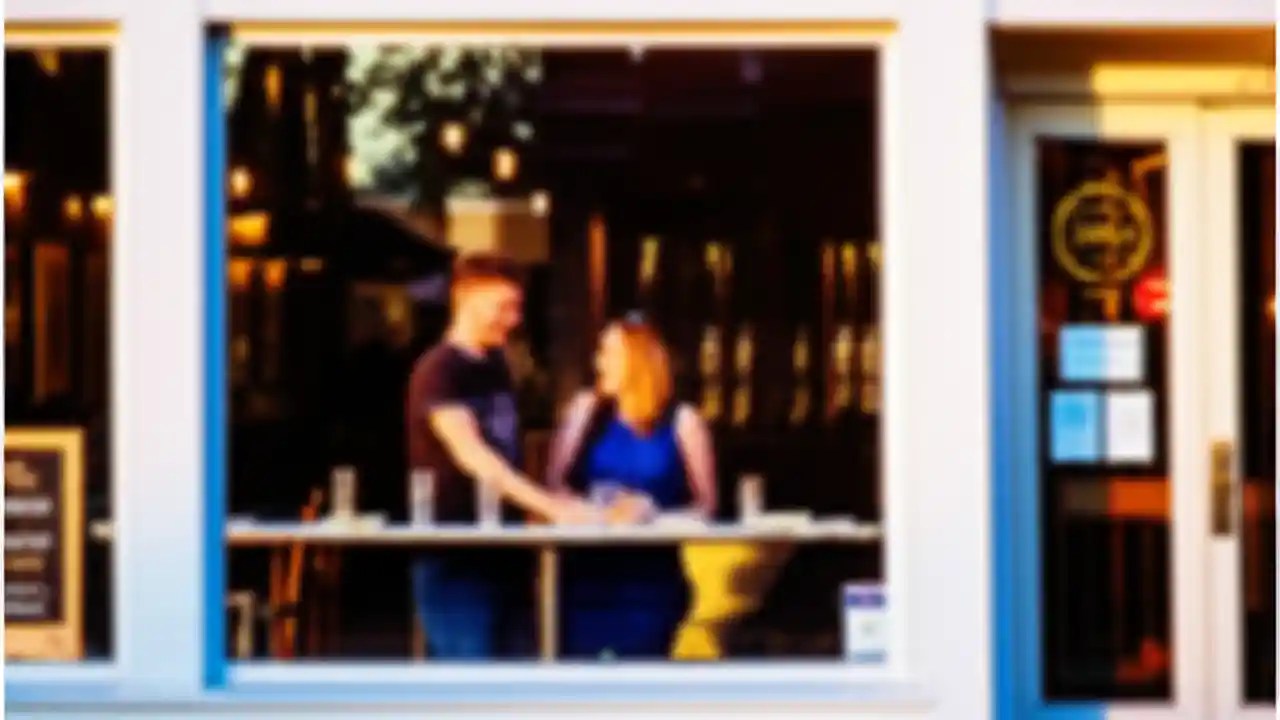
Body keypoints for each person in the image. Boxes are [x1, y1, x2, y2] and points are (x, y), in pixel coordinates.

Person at [405, 253, 593, 659]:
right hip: (456, 550)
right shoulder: (438, 371)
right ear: (466, 299)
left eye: (517, 307)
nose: (513, 318)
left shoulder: (496, 364)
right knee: (472, 679)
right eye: (503, 306)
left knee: (515, 677)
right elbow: (473, 454)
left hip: (504, 547)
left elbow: (509, 450)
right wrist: (549, 507)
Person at [545, 314, 718, 659]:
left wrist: (651, 515)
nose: (599, 363)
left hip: (650, 582)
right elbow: (553, 487)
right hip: (586, 580)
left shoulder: (683, 422)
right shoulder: (585, 412)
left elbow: (706, 506)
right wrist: (595, 509)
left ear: (637, 360)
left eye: (609, 353)